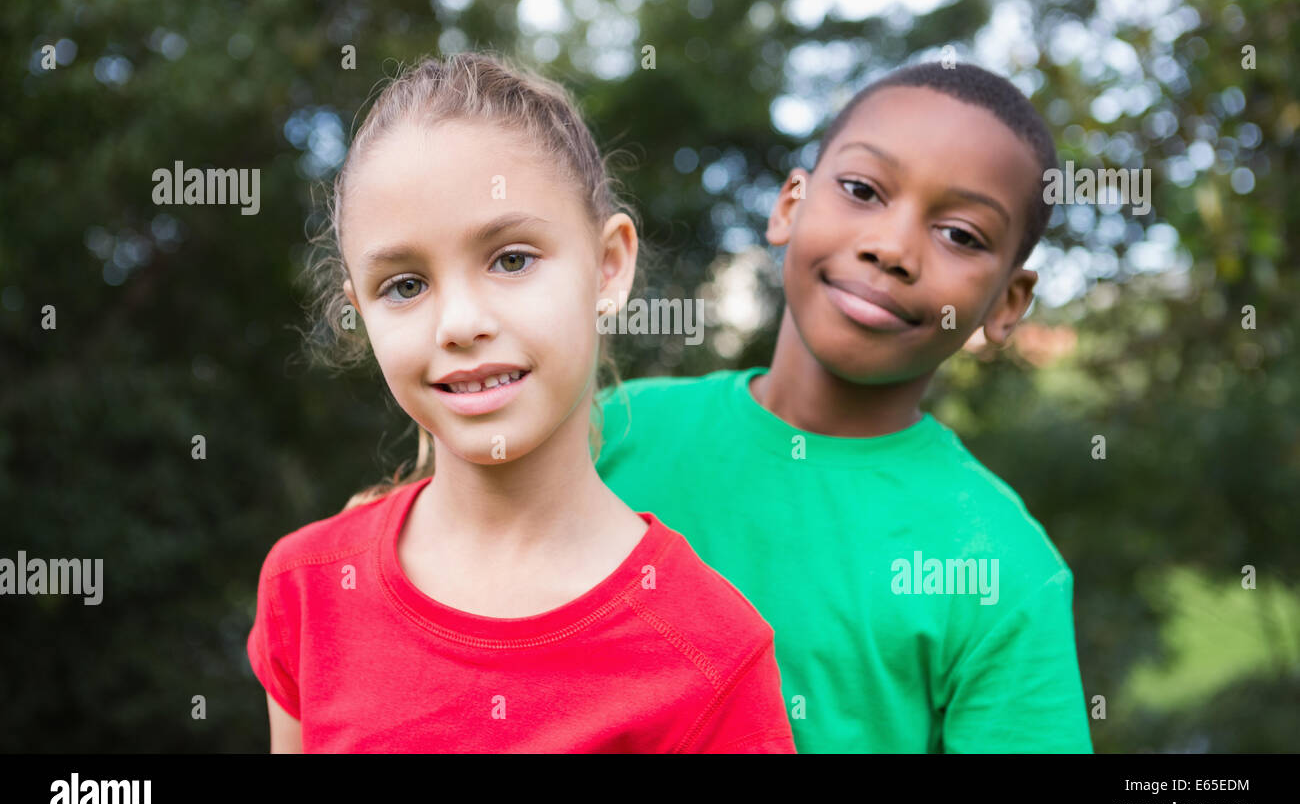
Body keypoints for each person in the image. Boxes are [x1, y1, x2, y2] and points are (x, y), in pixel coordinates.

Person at [246, 52, 796, 753]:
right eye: (405, 285)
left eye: (511, 259)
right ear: (358, 312)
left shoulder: (712, 653)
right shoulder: (306, 589)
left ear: (608, 266)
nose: (459, 322)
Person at [596, 62, 1093, 753]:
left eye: (961, 235)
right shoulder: (608, 436)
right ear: (789, 206)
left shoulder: (1001, 569)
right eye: (862, 190)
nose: (892, 249)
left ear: (1008, 302)